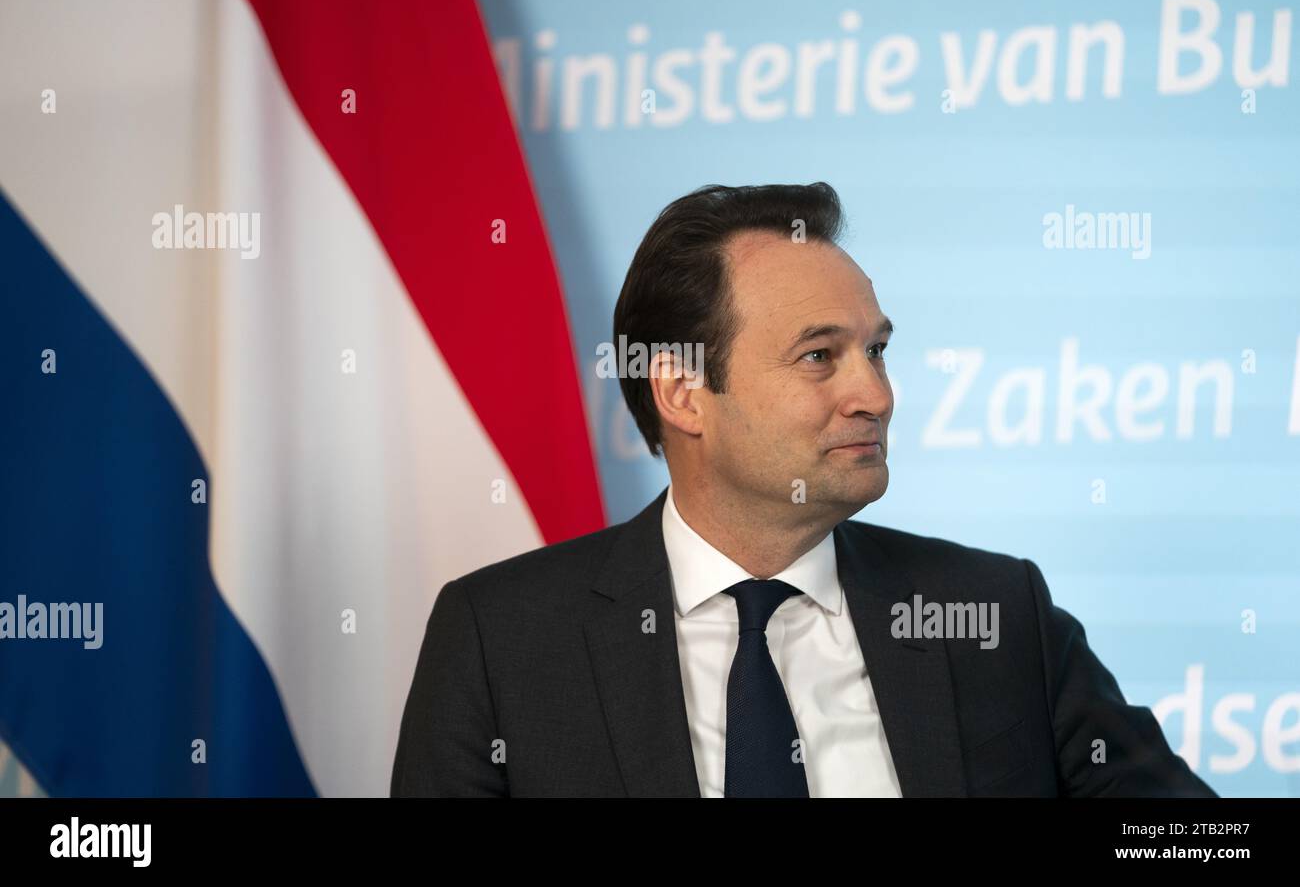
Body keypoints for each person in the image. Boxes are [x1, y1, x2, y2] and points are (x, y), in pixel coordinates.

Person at [390, 182, 1216, 797]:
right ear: (682, 394)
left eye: (877, 352)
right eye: (820, 356)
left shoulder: (995, 611)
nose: (875, 395)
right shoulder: (503, 639)